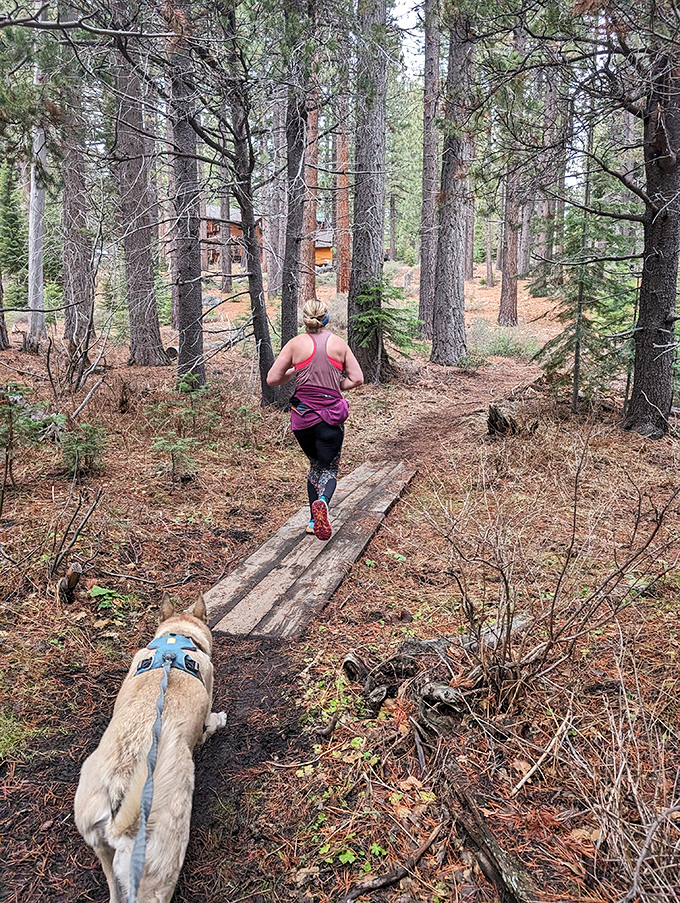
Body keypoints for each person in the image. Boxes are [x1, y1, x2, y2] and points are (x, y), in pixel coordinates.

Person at [267, 299, 364, 540]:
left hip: (303, 419)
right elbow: (358, 378)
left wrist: (295, 370)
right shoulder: (339, 344)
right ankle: (323, 501)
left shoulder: (294, 345)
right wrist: (336, 385)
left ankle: (313, 521)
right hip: (331, 418)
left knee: (314, 465)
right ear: (326, 318)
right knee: (329, 467)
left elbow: (272, 379)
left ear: (305, 320)